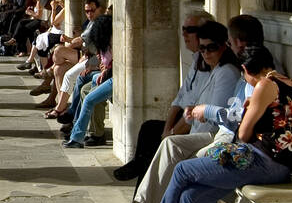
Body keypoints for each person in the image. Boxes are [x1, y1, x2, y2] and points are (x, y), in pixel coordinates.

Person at [135, 46, 292, 203]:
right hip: (274, 162)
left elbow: (243, 134)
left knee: (183, 169)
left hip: (263, 162)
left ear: (245, 70)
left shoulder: (264, 85)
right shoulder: (289, 83)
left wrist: (247, 115)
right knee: (192, 197)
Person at [112, 9, 214, 181]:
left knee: (153, 150)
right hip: (183, 121)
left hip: (196, 128)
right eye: (183, 29)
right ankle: (139, 173)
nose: (184, 34)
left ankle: (143, 197)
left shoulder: (212, 66)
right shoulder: (197, 59)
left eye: (190, 30)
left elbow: (193, 113)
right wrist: (167, 129)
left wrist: (171, 133)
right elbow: (180, 98)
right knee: (149, 128)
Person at [64, 13, 112, 148]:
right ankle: (91, 130)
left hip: (113, 79)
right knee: (84, 89)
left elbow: (116, 65)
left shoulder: (113, 42)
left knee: (90, 99)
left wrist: (105, 71)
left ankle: (77, 137)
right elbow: (102, 61)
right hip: (104, 76)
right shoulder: (103, 44)